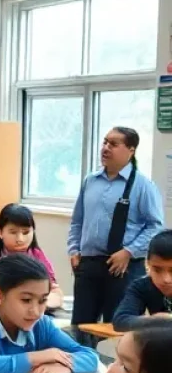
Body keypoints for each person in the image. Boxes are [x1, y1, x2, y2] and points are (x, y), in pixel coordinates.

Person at [68, 126, 164, 344]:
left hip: (124, 267)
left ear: (131, 150)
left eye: (113, 144)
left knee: (117, 331)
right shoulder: (90, 181)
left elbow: (155, 226)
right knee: (80, 327)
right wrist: (74, 250)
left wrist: (128, 252)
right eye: (104, 142)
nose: (105, 148)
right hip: (89, 264)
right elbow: (77, 220)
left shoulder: (143, 185)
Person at [0, 255, 98, 373]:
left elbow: (91, 357)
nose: (36, 312)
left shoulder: (42, 325)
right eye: (26, 300)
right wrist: (32, 359)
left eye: (42, 301)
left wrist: (67, 366)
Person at [0, 203, 61, 311]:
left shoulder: (38, 257)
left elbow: (55, 292)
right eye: (13, 232)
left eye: (26, 232)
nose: (20, 239)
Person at [113, 229, 172, 331]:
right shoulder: (142, 287)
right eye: (157, 270)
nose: (166, 279)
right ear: (147, 264)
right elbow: (121, 320)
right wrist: (158, 320)